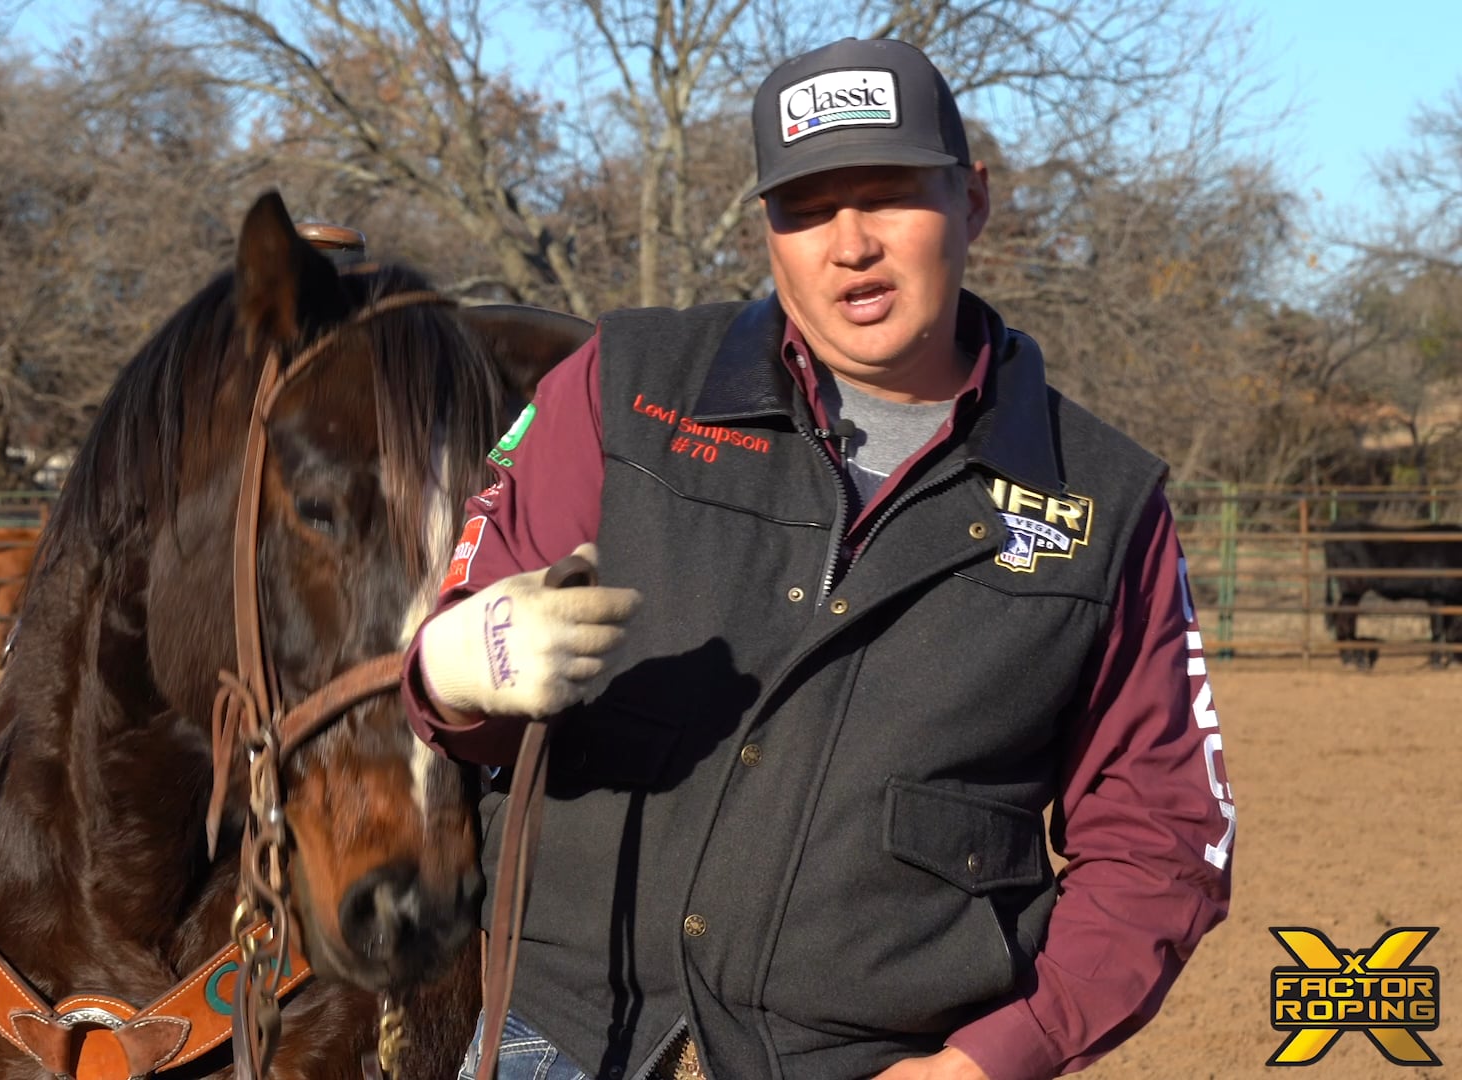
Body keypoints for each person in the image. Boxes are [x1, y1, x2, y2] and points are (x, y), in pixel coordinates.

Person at [403, 36, 1234, 1080]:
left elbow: (1164, 841)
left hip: (875, 1062)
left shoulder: (1102, 503)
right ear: (768, 230)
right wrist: (455, 670)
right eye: (805, 209)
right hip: (563, 1037)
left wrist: (991, 1062)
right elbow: (455, 688)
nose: (850, 245)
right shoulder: (626, 384)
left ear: (972, 200)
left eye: (889, 195)